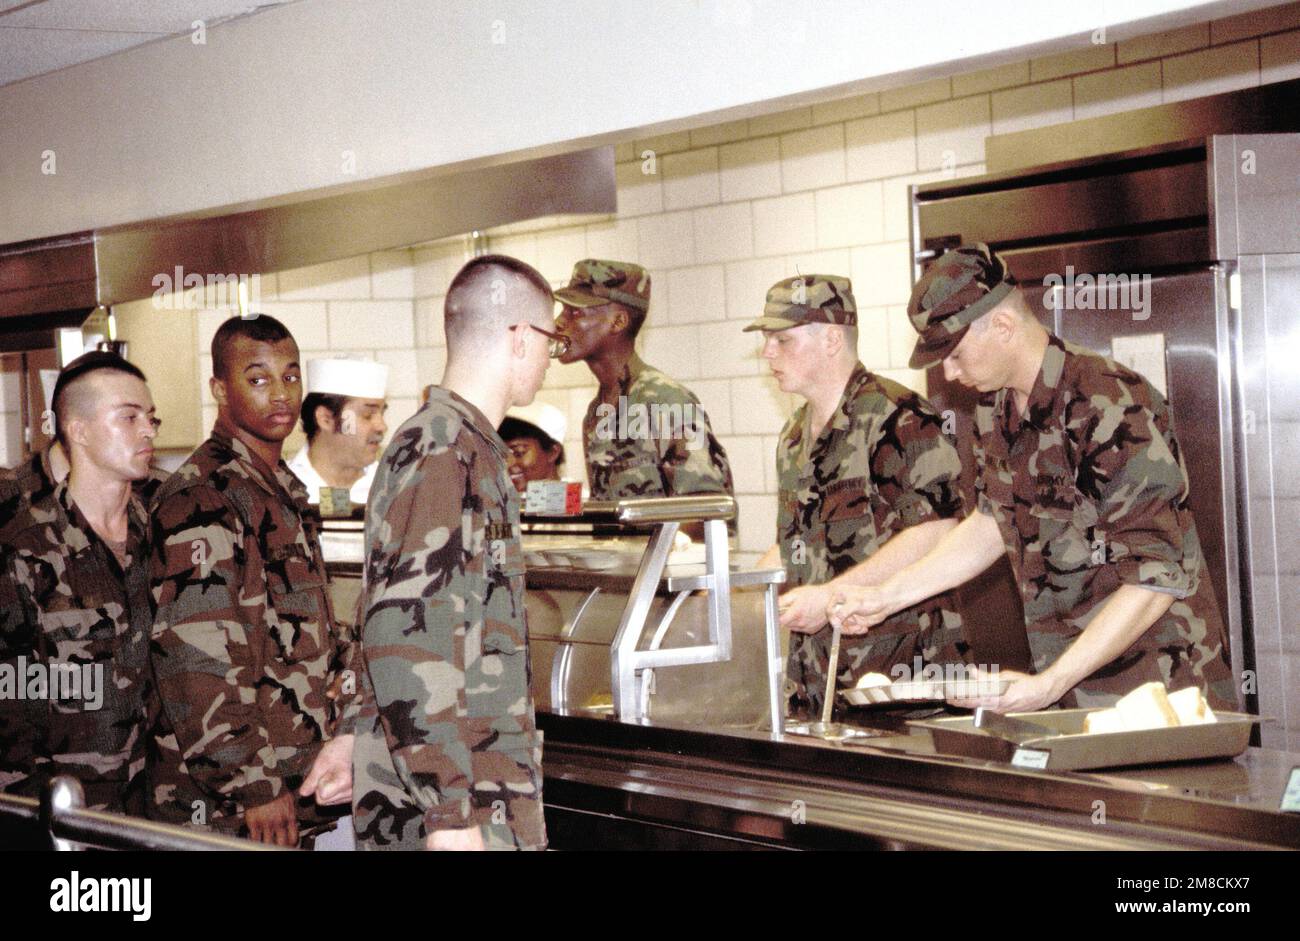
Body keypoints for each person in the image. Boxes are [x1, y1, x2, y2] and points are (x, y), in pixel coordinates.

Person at [828, 244, 1238, 713]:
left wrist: (1050, 683)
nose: (950, 371)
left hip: (1160, 693)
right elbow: (992, 524)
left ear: (1002, 325)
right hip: (1071, 690)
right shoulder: (996, 409)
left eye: (957, 353)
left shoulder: (1108, 401)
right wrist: (886, 596)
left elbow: (1157, 575)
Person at [352, 254, 553, 851]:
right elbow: (402, 635)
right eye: (550, 338)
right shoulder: (443, 450)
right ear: (520, 338)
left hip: (480, 794)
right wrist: (449, 815)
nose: (550, 358)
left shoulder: (468, 446)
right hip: (459, 812)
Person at [147, 314, 359, 847]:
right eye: (258, 378)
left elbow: (296, 628)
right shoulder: (204, 498)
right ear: (220, 388)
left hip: (288, 781)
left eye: (290, 376)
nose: (281, 394)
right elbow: (196, 653)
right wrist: (253, 784)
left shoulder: (275, 488)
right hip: (227, 806)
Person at [744, 276, 967, 718]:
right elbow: (798, 543)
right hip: (816, 687)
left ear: (831, 340)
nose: (768, 353)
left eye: (782, 340)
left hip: (898, 683)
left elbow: (937, 532)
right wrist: (744, 594)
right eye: (767, 341)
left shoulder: (898, 415)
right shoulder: (793, 436)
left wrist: (830, 596)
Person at [0, 352, 159, 812]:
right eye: (128, 417)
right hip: (68, 814)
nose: (148, 430)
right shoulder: (24, 548)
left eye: (151, 417)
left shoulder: (167, 532)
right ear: (78, 429)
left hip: (160, 813)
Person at [553, 259, 734, 510]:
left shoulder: (664, 401)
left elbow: (708, 512)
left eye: (575, 312)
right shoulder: (598, 411)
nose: (559, 322)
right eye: (563, 310)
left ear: (618, 322)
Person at [288, 358, 389, 510]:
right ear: (326, 419)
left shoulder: (392, 487)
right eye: (367, 415)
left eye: (382, 413)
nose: (382, 426)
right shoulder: (284, 488)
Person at [499, 402, 567, 493]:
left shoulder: (581, 503)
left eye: (519, 453)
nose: (507, 464)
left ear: (553, 452)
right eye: (501, 455)